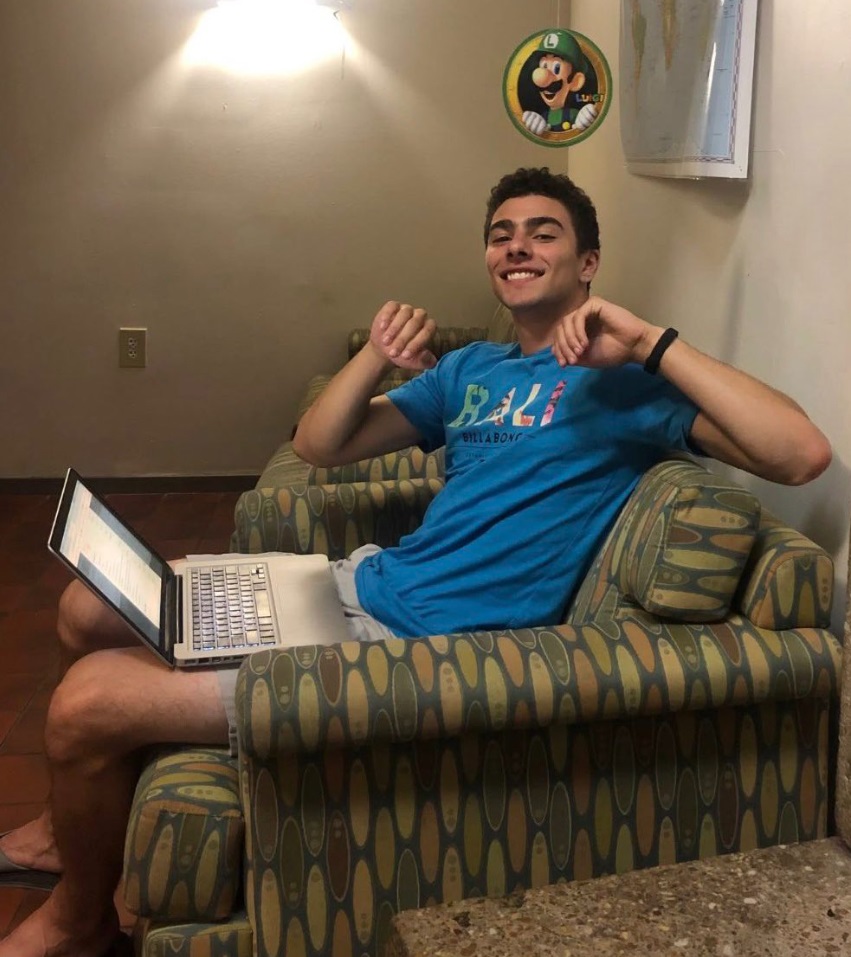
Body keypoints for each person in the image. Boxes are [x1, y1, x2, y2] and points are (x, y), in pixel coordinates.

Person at [0, 167, 831, 957]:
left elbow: (799, 452)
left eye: (543, 233)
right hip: (350, 585)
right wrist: (377, 356)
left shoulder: (625, 384)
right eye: (501, 234)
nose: (516, 246)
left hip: (406, 645)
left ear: (587, 264)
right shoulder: (471, 371)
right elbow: (320, 444)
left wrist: (650, 341)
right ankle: (62, 821)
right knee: (85, 605)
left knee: (85, 704)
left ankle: (78, 921)